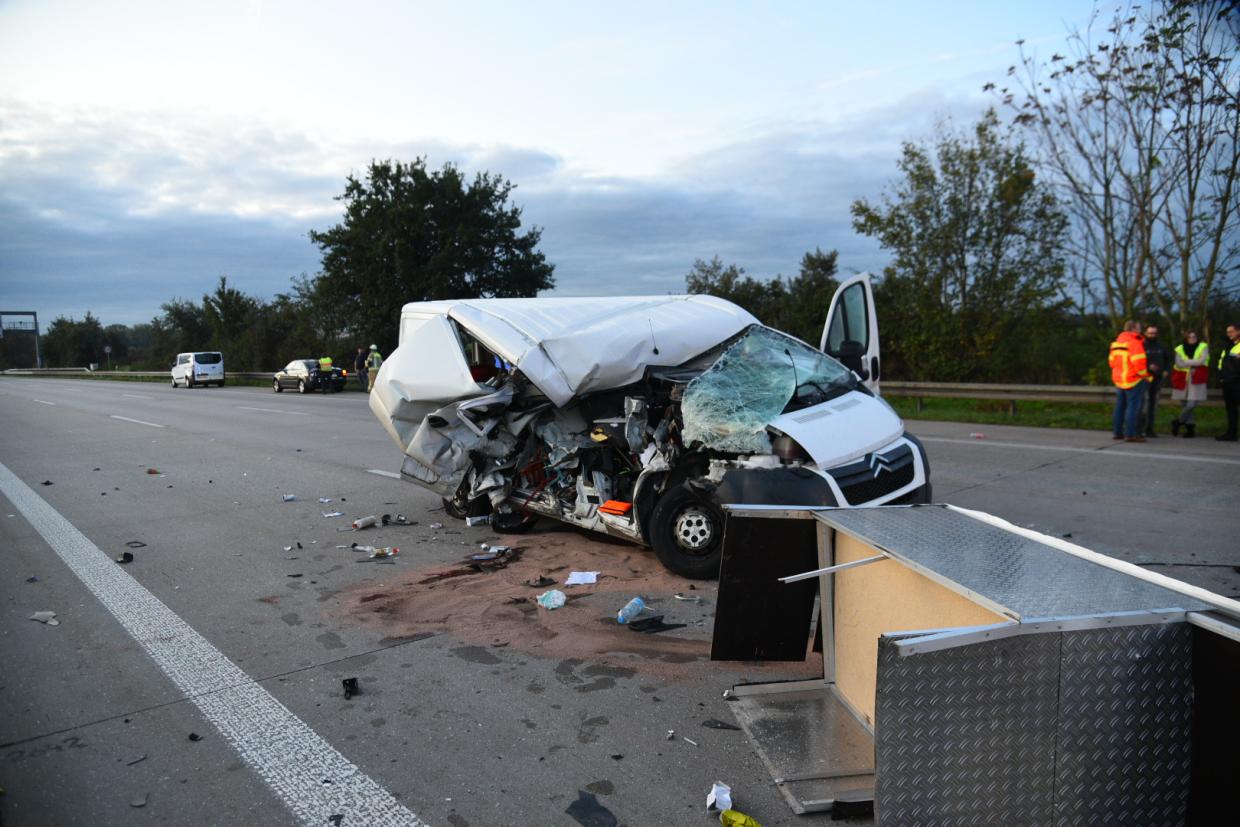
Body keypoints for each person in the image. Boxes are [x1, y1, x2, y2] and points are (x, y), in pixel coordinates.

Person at [1109, 320, 1149, 442]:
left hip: (1119, 379)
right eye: (1139, 327)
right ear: (1134, 329)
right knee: (1133, 408)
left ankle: (1117, 433)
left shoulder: (1116, 343)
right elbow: (1139, 364)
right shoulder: (1135, 343)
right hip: (1133, 380)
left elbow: (1111, 363)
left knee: (1120, 407)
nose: (1140, 330)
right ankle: (1130, 434)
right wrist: (1145, 376)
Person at [1170, 330, 1208, 438]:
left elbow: (1202, 360)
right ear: (1186, 338)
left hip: (1196, 378)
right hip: (1182, 378)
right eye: (1190, 337)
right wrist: (1193, 362)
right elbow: (1178, 363)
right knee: (1185, 404)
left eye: (1194, 336)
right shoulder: (1179, 348)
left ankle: (1178, 422)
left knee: (1191, 404)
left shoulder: (1203, 346)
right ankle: (1190, 430)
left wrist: (1186, 362)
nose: (1192, 338)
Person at [1139, 324, 1169, 437]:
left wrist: (1166, 370)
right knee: (1143, 405)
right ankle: (1139, 429)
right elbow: (1137, 361)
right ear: (1145, 333)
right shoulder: (1141, 346)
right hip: (1144, 379)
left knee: (1153, 406)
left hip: (1157, 379)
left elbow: (1168, 360)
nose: (1152, 335)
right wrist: (1148, 366)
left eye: (1154, 333)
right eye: (1150, 333)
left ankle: (1149, 429)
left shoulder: (1161, 347)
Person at [1216, 323, 1240, 442]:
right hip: (1227, 382)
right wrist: (1221, 377)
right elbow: (1221, 363)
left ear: (1238, 331)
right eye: (1227, 332)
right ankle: (1231, 433)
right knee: (1231, 410)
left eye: (1231, 331)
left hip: (1238, 381)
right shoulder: (1227, 346)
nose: (1229, 334)